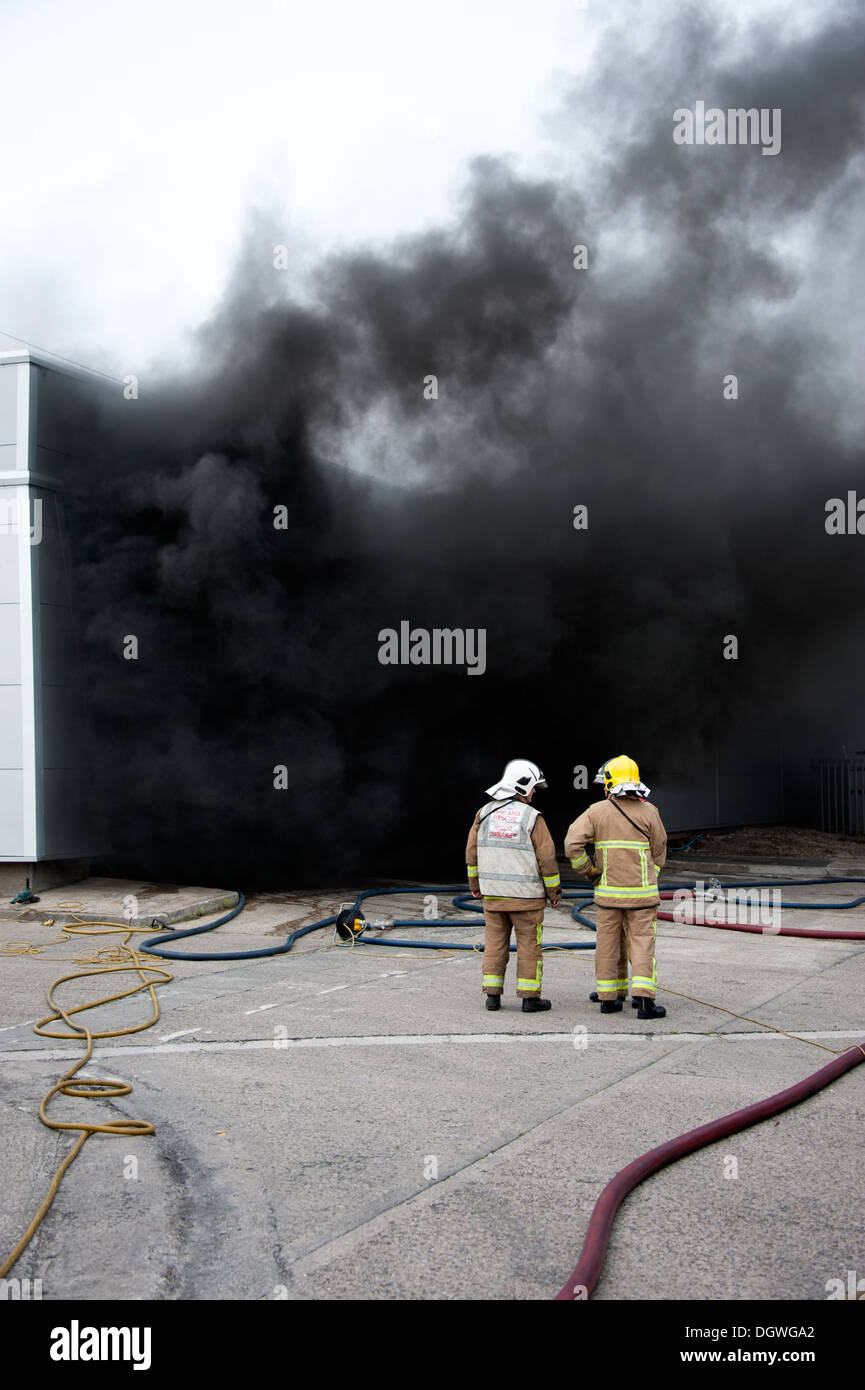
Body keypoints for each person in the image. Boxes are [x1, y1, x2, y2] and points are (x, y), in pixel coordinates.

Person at [565, 755, 667, 1020]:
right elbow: (659, 851)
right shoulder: (650, 812)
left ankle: (608, 999)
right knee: (642, 944)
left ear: (610, 784)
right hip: (642, 898)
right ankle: (644, 1002)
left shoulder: (596, 811)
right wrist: (649, 877)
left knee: (607, 945)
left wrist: (589, 870)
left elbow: (571, 844)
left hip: (608, 896)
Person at [465, 759, 561, 1012]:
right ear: (523, 785)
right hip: (527, 900)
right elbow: (547, 858)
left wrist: (475, 884)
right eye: (533, 787)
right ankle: (530, 998)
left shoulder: (483, 813)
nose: (535, 792)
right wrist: (554, 892)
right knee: (530, 946)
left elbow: (471, 854)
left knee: (495, 945)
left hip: (494, 897)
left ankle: (492, 996)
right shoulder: (532, 817)